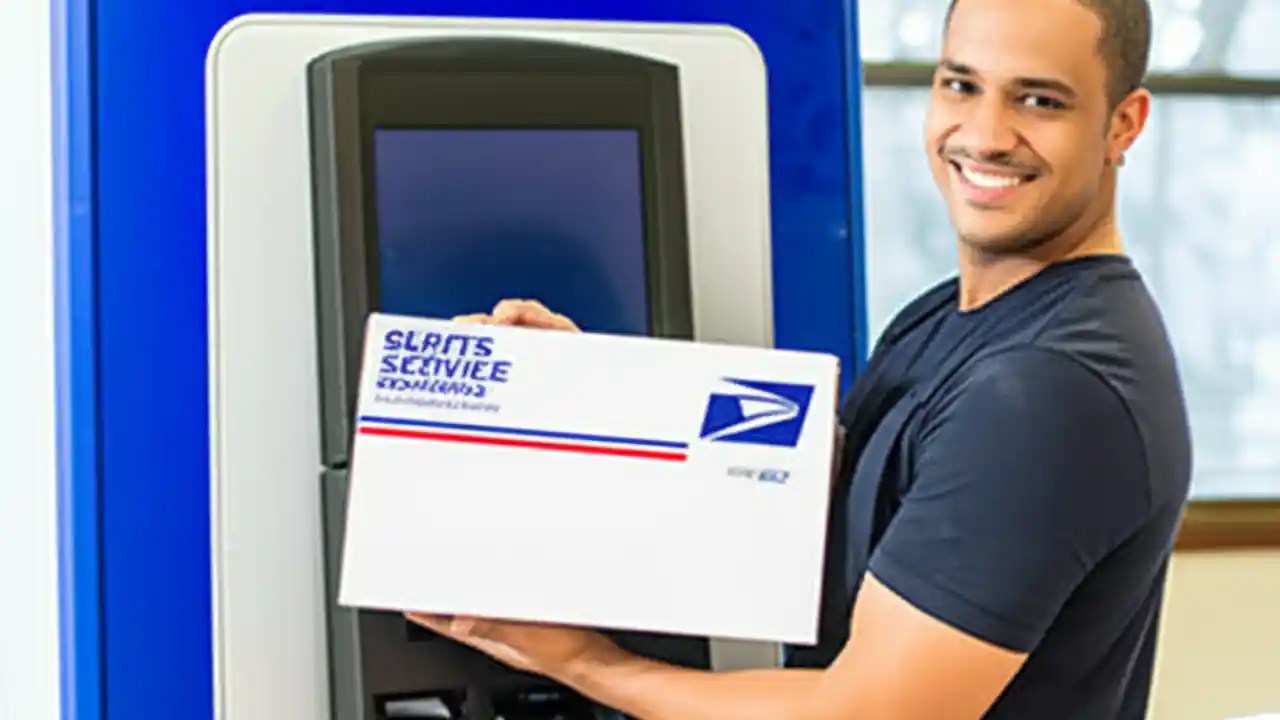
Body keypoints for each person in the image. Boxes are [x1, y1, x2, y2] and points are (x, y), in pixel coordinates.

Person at [408, 0, 1194, 716]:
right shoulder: (955, 317)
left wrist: (584, 660)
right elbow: (817, 509)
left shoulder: (1049, 387)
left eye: (1039, 100)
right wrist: (599, 393)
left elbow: (868, 712)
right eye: (961, 85)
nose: (984, 134)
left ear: (1123, 124)